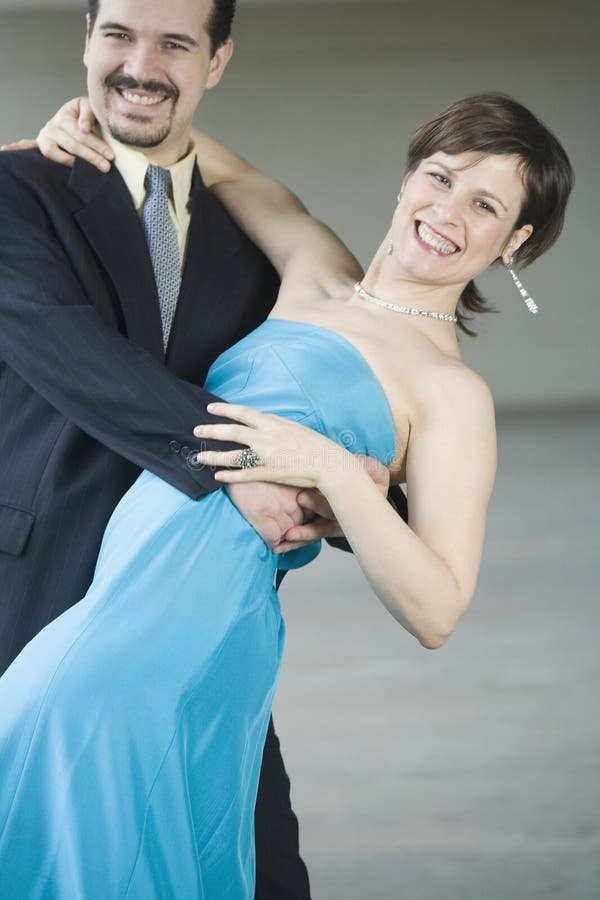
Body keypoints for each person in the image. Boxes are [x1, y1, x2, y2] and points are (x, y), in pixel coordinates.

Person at [0, 90, 572, 898]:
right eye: (440, 178)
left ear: (514, 243)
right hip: (113, 587)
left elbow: (438, 609)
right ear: (410, 176)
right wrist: (86, 120)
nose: (447, 212)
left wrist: (333, 470)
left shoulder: (452, 394)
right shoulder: (314, 263)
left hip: (193, 619)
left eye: (485, 206)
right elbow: (198, 153)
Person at [0, 1, 406, 897]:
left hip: (196, 617)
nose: (140, 64)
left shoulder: (257, 248)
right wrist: (252, 464)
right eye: (118, 35)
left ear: (216, 62)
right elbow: (69, 351)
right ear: (86, 43)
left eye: (175, 44)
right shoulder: (14, 188)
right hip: (35, 590)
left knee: (259, 870)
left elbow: (315, 399)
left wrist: (353, 495)